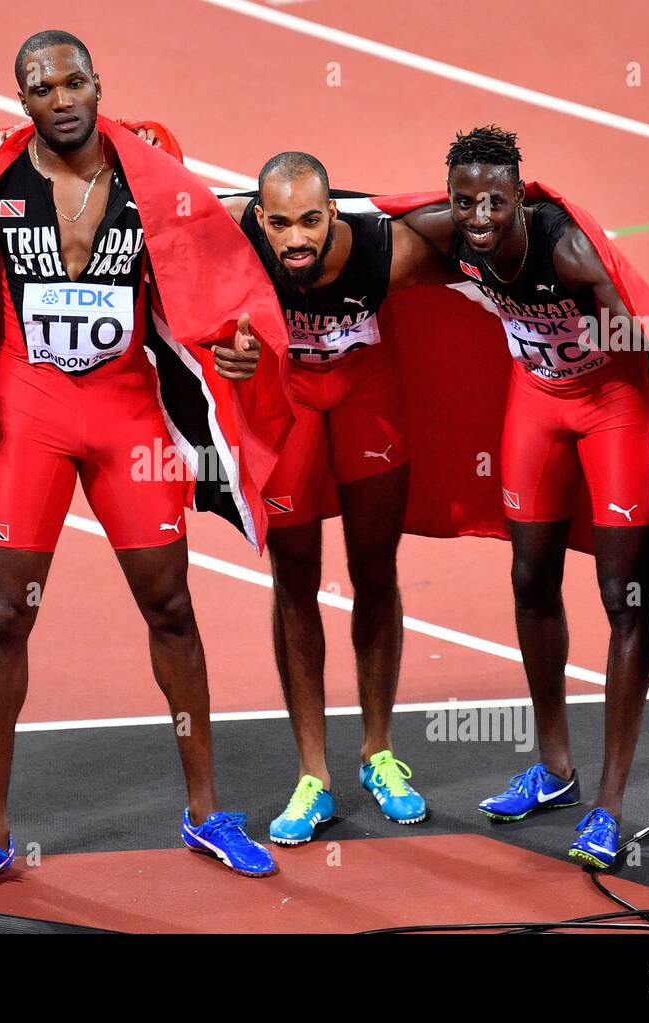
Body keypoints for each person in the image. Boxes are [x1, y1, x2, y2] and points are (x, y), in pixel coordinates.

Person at [0, 30, 278, 902]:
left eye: (76, 81)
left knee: (171, 605)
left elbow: (204, 281)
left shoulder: (152, 180)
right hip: (31, 417)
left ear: (98, 85)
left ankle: (205, 810)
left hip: (125, 417)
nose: (64, 97)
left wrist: (234, 347)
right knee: (5, 615)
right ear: (24, 100)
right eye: (44, 87)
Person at [403, 126, 649, 867]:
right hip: (536, 405)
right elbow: (364, 248)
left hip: (608, 407)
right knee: (529, 577)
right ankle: (555, 768)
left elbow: (648, 328)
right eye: (465, 201)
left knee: (625, 593)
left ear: (521, 196)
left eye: (494, 201)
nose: (478, 215)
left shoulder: (568, 250)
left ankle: (609, 805)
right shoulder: (446, 235)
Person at [216, 154, 454, 844]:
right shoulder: (234, 236)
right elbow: (161, 258)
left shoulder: (383, 249)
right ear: (260, 218)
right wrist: (220, 350)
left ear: (333, 215)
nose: (296, 239)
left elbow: (483, 257)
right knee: (294, 577)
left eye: (311, 221)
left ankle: (378, 753)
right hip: (285, 402)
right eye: (282, 222)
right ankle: (313, 776)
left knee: (375, 570)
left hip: (366, 396)